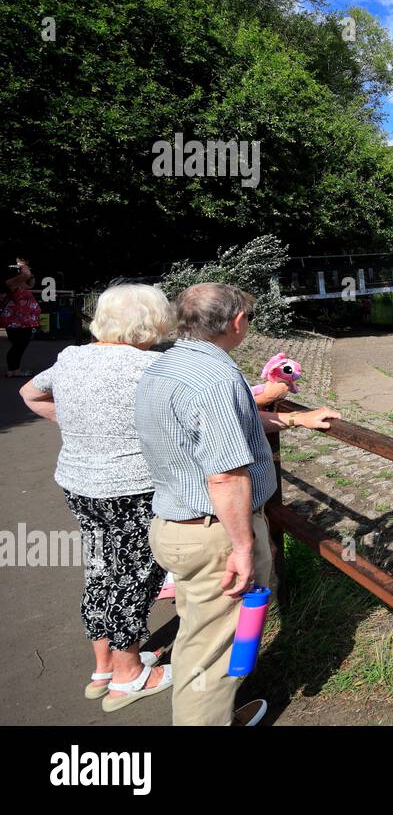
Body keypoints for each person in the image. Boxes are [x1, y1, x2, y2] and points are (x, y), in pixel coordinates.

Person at [134, 282, 339, 726]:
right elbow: (226, 473)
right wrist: (243, 548)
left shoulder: (165, 365)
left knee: (198, 637)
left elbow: (227, 421)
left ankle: (218, 717)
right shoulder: (216, 377)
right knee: (215, 651)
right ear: (237, 322)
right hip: (217, 535)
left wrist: (294, 418)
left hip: (176, 524)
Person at [19, 284, 176, 711]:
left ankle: (103, 667)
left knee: (102, 568)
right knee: (136, 575)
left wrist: (76, 423)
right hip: (130, 488)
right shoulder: (152, 367)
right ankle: (130, 676)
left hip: (79, 484)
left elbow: (29, 394)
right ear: (153, 321)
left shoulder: (72, 358)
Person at [3, 258, 42, 377]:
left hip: (23, 320)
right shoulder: (10, 282)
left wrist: (30, 274)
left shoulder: (20, 283)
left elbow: (30, 283)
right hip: (15, 320)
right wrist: (23, 266)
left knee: (20, 345)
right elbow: (25, 275)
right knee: (18, 345)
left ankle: (14, 369)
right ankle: (13, 370)